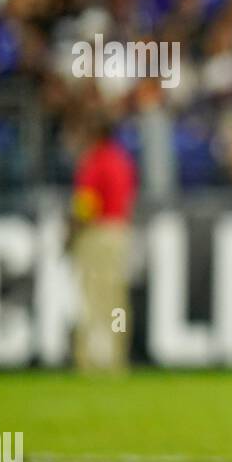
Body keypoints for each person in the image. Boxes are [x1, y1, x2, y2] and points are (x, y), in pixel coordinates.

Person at [70, 118, 138, 372]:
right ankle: (116, 359)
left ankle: (92, 360)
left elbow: (86, 205)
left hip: (97, 234)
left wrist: (70, 234)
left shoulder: (95, 161)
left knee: (93, 300)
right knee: (116, 301)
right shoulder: (123, 160)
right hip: (121, 232)